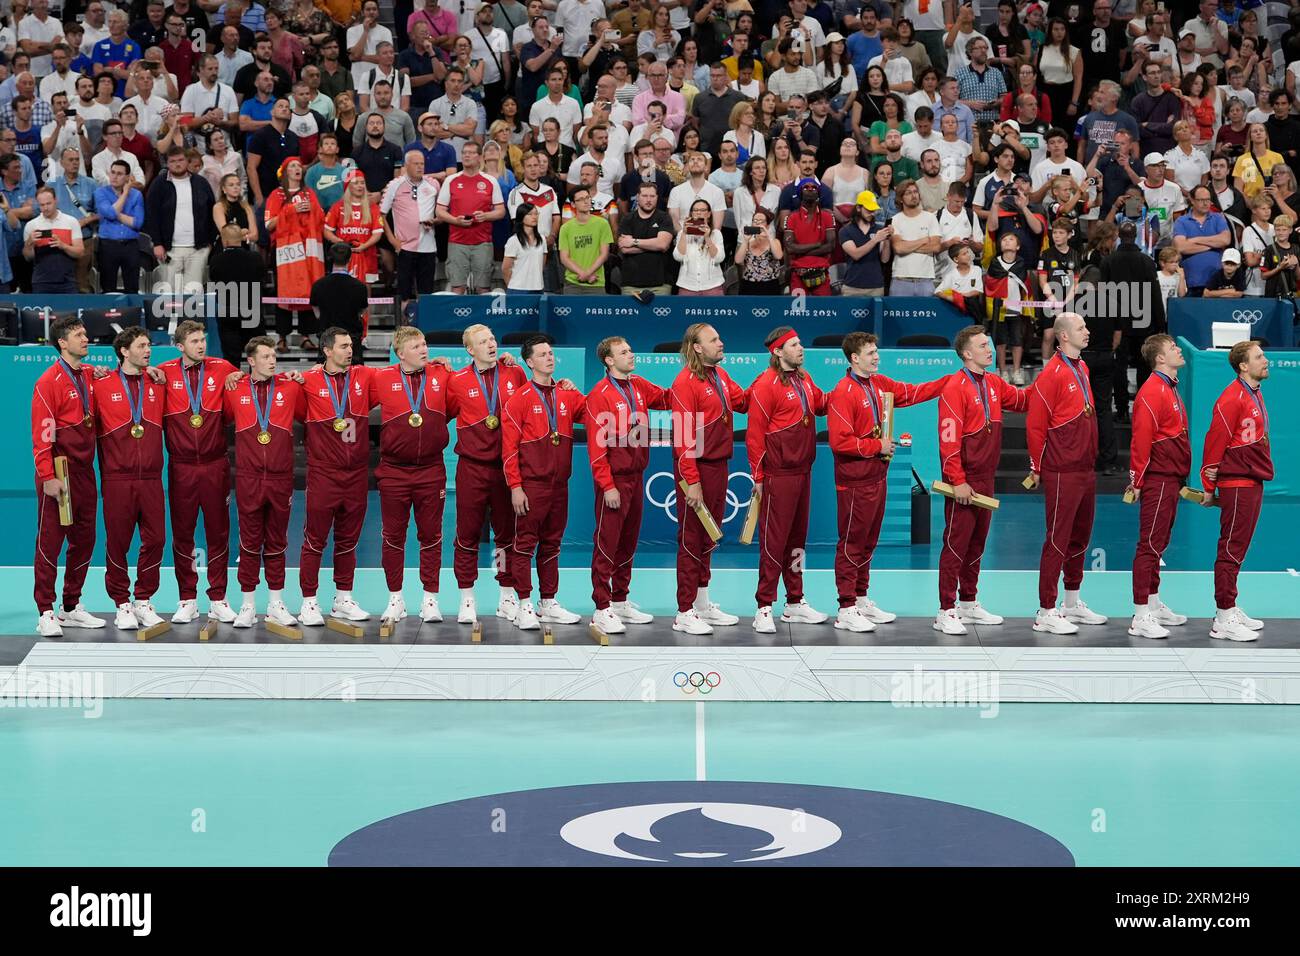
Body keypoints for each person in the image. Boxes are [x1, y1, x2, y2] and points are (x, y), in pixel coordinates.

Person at [825, 330, 947, 632]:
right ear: (854, 358)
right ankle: (846, 607)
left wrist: (949, 382)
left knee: (868, 542)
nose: (877, 356)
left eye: (876, 351)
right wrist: (875, 446)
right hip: (853, 481)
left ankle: (861, 597)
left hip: (877, 476)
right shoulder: (843, 391)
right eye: (870, 352)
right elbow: (840, 442)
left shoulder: (880, 385)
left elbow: (912, 392)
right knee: (852, 542)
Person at [932, 325, 1033, 634]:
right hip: (964, 479)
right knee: (955, 545)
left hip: (986, 476)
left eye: (989, 345)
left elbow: (1023, 401)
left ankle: (968, 603)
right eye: (982, 346)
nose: (990, 350)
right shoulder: (954, 387)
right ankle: (946, 610)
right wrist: (957, 480)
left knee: (977, 544)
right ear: (966, 353)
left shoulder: (993, 382)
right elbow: (948, 440)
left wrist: (1051, 382)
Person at [362, 325, 453, 625]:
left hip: (431, 470)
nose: (424, 350)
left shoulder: (441, 374)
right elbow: (349, 389)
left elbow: (455, 404)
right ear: (400, 353)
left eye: (425, 344)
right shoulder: (382, 378)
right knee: (393, 536)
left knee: (431, 536)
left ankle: (430, 599)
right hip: (393, 471)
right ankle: (395, 599)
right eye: (416, 347)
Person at [1026, 311, 1108, 635]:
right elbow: (1035, 425)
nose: (1087, 331)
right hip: (1062, 469)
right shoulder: (1051, 374)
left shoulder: (1082, 367)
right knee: (1057, 539)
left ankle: (1071, 602)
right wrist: (1036, 466)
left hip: (1085, 467)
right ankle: (1046, 609)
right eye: (1081, 328)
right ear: (1063, 336)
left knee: (1080, 537)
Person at [744, 327, 831, 633]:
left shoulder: (804, 378)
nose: (801, 348)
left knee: (797, 543)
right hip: (777, 474)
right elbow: (754, 435)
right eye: (794, 344)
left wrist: (853, 391)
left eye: (800, 342)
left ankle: (794, 602)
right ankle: (764, 606)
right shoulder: (765, 385)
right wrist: (758, 475)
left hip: (803, 471)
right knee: (773, 542)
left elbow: (822, 403)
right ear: (778, 352)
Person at [583, 335, 669, 634]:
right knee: (607, 543)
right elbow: (597, 449)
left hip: (636, 475)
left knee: (629, 542)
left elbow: (670, 398)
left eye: (631, 349)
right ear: (608, 360)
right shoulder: (600, 395)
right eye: (623, 352)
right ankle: (602, 607)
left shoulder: (639, 385)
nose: (631, 354)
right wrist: (607, 485)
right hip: (615, 481)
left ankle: (620, 600)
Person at [156, 320, 239, 625]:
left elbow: (247, 382)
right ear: (180, 346)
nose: (201, 345)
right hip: (182, 467)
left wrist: (238, 376)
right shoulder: (163, 372)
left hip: (216, 465)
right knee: (183, 535)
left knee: (219, 533)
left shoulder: (222, 368)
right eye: (194, 341)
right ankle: (187, 599)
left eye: (203, 340)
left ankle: (218, 598)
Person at [501, 334, 586, 631]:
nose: (549, 358)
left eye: (551, 353)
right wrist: (516, 487)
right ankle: (524, 603)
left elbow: (594, 413)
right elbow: (509, 449)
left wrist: (578, 391)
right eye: (542, 354)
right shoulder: (518, 400)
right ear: (529, 362)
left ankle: (547, 602)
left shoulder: (567, 395)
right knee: (524, 545)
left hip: (560, 485)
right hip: (532, 486)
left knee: (552, 545)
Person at [446, 324, 529, 625]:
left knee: (506, 535)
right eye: (483, 342)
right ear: (470, 350)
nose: (491, 345)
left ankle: (506, 594)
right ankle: (467, 597)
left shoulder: (514, 373)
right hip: (472, 467)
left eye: (493, 339)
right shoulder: (455, 381)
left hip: (506, 468)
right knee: (466, 534)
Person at [292, 327, 375, 626]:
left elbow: (399, 374)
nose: (349, 350)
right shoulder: (308, 381)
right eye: (342, 346)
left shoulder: (365, 376)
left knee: (348, 540)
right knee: (314, 540)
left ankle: (343, 598)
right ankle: (309, 602)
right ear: (326, 350)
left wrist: (438, 362)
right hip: (324, 474)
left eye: (351, 345)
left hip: (356, 474)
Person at [669, 323, 748, 635]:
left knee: (708, 538)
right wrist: (692, 479)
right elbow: (683, 435)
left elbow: (744, 401)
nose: (721, 342)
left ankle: (701, 602)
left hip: (719, 465)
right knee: (691, 540)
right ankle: (684, 611)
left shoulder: (721, 376)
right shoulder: (684, 383)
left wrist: (776, 376)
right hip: (696, 470)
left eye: (720, 336)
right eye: (713, 339)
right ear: (697, 347)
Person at [86, 325, 165, 631]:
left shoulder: (158, 382)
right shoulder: (101, 384)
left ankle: (144, 600)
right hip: (117, 478)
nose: (148, 351)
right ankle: (122, 603)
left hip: (151, 478)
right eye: (142, 346)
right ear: (124, 351)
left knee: (156, 539)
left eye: (149, 346)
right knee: (118, 543)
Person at [31, 316, 106, 636]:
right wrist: (48, 476)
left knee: (84, 540)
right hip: (59, 472)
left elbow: (121, 376)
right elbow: (41, 434)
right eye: (79, 335)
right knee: (50, 541)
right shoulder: (49, 381)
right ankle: (45, 610)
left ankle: (71, 606)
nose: (86, 339)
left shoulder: (89, 374)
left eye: (85, 333)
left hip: (85, 471)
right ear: (62, 343)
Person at [222, 336, 303, 628]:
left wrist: (298, 374)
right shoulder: (234, 388)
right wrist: (231, 376)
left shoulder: (291, 386)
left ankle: (276, 603)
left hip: (281, 477)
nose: (272, 361)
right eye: (266, 356)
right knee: (249, 541)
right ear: (251, 361)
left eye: (274, 356)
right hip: (249, 477)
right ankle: (247, 604)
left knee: (278, 542)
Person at [1200, 340, 1272, 642]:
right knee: (1230, 549)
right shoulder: (1232, 398)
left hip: (1252, 480)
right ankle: (1223, 617)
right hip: (1238, 483)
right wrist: (1208, 485)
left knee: (1238, 549)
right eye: (1259, 356)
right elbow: (1214, 442)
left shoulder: (1252, 393)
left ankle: (1230, 606)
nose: (1266, 360)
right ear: (1243, 365)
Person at [1123, 333, 1192, 640]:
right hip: (1158, 478)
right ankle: (1140, 615)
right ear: (1160, 358)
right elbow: (1141, 438)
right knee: (1149, 545)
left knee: (1158, 545)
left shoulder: (1169, 388)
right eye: (1173, 347)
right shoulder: (1153, 391)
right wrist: (1137, 479)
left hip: (1171, 477)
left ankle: (1152, 601)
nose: (1179, 349)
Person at [264, 156, 326, 350]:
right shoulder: (276, 195)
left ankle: (305, 335)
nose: (297, 168)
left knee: (309, 289)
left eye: (299, 165)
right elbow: (268, 224)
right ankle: (282, 336)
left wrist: (312, 210)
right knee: (283, 291)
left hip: (307, 250)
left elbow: (321, 219)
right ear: (285, 171)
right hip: (285, 250)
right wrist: (291, 210)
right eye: (293, 165)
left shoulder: (310, 194)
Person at [436, 140, 505, 294]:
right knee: (457, 287)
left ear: (480, 157)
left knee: (483, 288)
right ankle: (458, 318)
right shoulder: (451, 180)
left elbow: (501, 211)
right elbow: (439, 211)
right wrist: (455, 221)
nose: (467, 156)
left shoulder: (490, 181)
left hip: (483, 242)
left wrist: (485, 216)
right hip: (457, 242)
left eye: (471, 153)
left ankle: (482, 319)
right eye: (464, 153)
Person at [208, 224, 264, 364]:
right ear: (241, 238)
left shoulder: (216, 260)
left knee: (231, 359)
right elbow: (261, 278)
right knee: (257, 357)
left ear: (224, 241)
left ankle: (233, 385)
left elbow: (214, 279)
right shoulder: (256, 258)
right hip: (252, 312)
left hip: (228, 315)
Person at [94, 158, 144, 293]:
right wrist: (125, 193)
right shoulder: (100, 192)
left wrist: (114, 212)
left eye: (119, 174)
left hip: (131, 245)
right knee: (108, 287)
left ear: (128, 177)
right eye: (112, 172)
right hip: (108, 245)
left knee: (132, 287)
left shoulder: (137, 195)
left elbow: (137, 223)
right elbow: (110, 214)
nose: (114, 177)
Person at [326, 168, 384, 286]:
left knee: (364, 292)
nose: (360, 186)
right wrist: (341, 243)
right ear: (348, 186)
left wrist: (364, 246)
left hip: (367, 256)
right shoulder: (338, 207)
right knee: (343, 289)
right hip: (343, 257)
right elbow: (327, 231)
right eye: (356, 183)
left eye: (362, 183)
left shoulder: (373, 207)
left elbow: (377, 233)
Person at [617, 180, 673, 296]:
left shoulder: (664, 218)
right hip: (631, 284)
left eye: (652, 196)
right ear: (637, 197)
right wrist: (655, 246)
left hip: (660, 284)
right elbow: (625, 249)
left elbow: (662, 244)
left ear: (657, 198)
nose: (648, 200)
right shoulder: (627, 219)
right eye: (645, 196)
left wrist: (634, 241)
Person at [1171, 184, 1231, 295]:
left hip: (1217, 282)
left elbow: (1225, 240)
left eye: (1208, 199)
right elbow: (1181, 247)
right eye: (1201, 200)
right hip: (1191, 282)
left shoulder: (1218, 218)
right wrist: (1213, 244)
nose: (1205, 203)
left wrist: (1194, 240)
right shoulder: (1182, 221)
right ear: (1192, 200)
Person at [23, 185, 82, 293]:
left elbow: (79, 252)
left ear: (55, 201)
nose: (45, 208)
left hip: (68, 282)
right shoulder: (31, 225)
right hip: (41, 282)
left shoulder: (71, 222)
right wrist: (29, 244)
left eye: (48, 203)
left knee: (69, 310)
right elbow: (28, 257)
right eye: (42, 205)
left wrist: (63, 246)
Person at [783, 178, 834, 295]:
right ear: (800, 192)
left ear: (818, 193)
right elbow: (790, 248)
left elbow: (830, 246)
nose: (810, 189)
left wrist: (800, 252)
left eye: (814, 187)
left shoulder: (827, 216)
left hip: (821, 273)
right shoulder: (791, 217)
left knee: (823, 311)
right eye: (806, 187)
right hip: (798, 274)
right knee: (798, 313)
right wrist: (817, 245)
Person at [557, 184, 612, 293]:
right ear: (573, 204)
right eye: (581, 199)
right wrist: (583, 274)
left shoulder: (602, 224)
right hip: (573, 283)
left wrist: (587, 273)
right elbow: (564, 258)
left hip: (596, 281)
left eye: (587, 197)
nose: (586, 201)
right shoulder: (565, 228)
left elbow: (604, 254)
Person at [890, 178, 941, 295]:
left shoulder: (930, 218)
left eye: (915, 192)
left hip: (925, 280)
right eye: (908, 193)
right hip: (900, 280)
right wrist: (923, 240)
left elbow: (936, 247)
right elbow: (898, 248)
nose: (913, 195)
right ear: (900, 199)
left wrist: (907, 245)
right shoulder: (895, 220)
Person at [840, 189, 890, 295]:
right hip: (852, 286)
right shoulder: (846, 231)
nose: (872, 214)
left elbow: (885, 259)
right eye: (868, 210)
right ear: (858, 208)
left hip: (876, 286)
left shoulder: (878, 229)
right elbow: (856, 254)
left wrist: (887, 239)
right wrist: (875, 239)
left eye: (874, 210)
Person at [673, 197, 726, 295]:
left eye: (702, 210)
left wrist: (707, 237)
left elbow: (719, 258)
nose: (698, 213)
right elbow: (678, 257)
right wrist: (684, 233)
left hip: (712, 286)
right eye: (695, 210)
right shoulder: (682, 233)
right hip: (687, 286)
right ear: (691, 213)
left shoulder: (716, 234)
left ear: (709, 214)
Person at [503, 203, 547, 293]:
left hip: (538, 288)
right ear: (521, 217)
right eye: (530, 214)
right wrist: (512, 286)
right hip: (518, 289)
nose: (534, 217)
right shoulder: (513, 240)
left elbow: (542, 264)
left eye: (536, 213)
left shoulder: (542, 239)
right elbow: (506, 268)